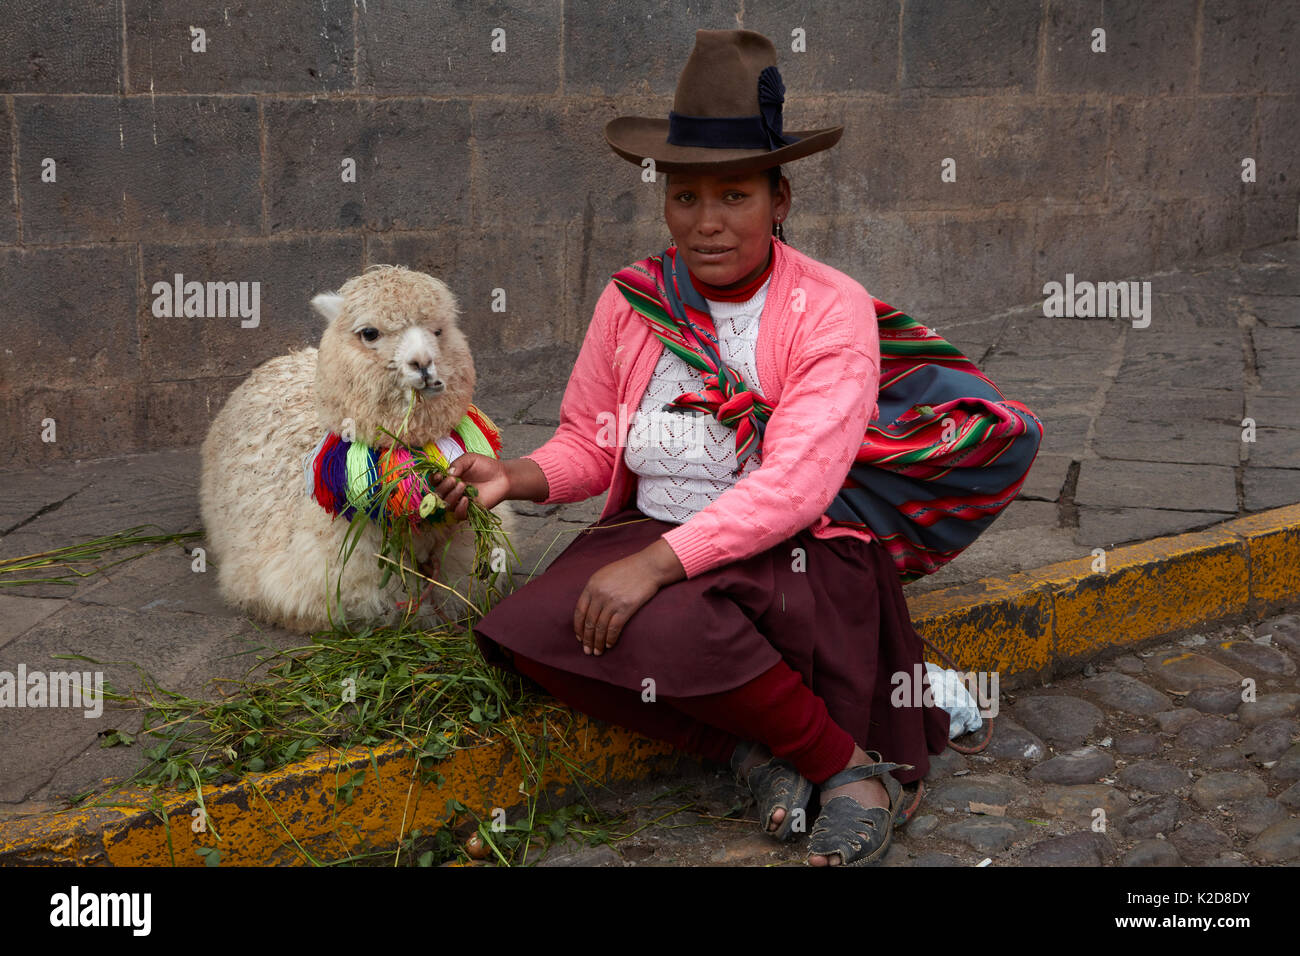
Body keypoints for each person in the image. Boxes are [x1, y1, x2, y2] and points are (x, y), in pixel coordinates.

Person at [433, 28, 950, 867]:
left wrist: (653, 566)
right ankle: (747, 753)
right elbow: (593, 443)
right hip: (660, 531)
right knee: (517, 630)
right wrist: (518, 475)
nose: (706, 225)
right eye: (685, 197)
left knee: (664, 624)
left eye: (735, 196)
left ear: (780, 200)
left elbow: (794, 487)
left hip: (794, 551)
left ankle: (848, 771)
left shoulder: (829, 310)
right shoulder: (634, 299)